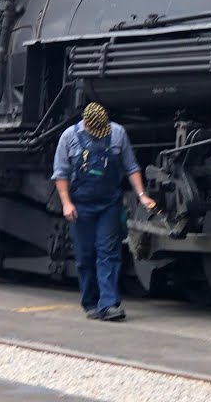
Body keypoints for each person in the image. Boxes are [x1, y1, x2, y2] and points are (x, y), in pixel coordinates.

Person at [52, 102, 156, 321]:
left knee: (108, 252)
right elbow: (60, 173)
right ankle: (90, 302)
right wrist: (66, 203)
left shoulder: (117, 133)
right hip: (81, 205)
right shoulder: (68, 138)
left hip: (109, 204)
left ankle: (109, 304)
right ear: (86, 124)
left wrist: (141, 195)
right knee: (85, 256)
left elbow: (131, 167)